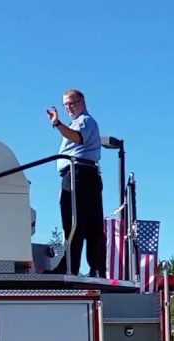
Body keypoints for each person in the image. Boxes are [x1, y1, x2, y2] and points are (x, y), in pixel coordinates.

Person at [46, 88, 107, 278]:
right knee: (78, 223)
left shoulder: (85, 121)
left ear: (82, 101)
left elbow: (76, 137)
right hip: (75, 175)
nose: (68, 108)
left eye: (72, 103)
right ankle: (86, 267)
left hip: (81, 174)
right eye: (65, 105)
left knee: (79, 223)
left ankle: (79, 267)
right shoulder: (77, 123)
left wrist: (56, 123)